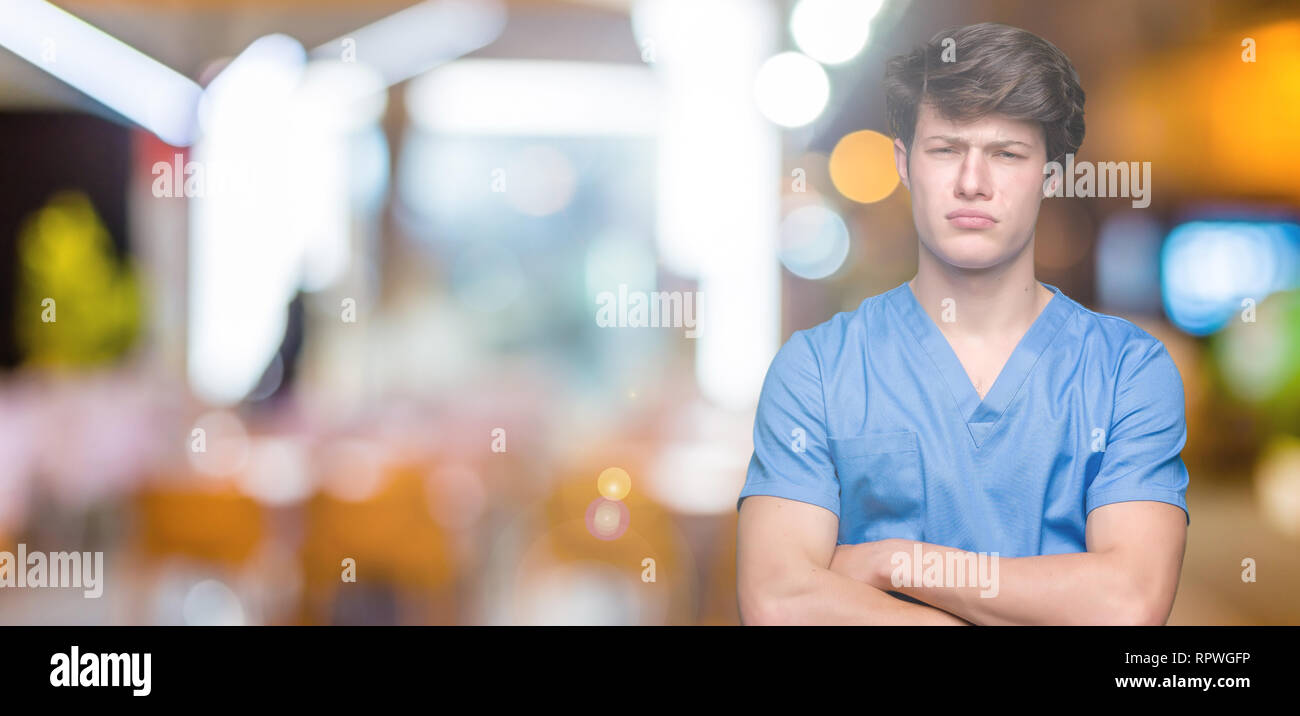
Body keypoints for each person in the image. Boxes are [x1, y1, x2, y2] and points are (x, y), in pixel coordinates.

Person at [736, 22, 1189, 625]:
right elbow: (778, 602)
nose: (972, 183)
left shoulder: (1128, 371)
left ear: (1051, 176)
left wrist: (898, 562)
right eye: (946, 149)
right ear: (904, 163)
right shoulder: (816, 369)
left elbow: (1127, 604)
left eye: (1006, 154)